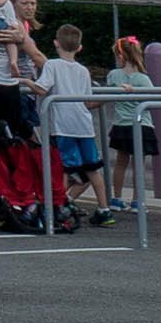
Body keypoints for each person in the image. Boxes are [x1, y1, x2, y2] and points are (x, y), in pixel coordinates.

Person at [40, 24, 108, 224]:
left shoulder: (51, 65)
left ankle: (58, 206)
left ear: (55, 44)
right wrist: (109, 98)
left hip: (63, 126)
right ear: (80, 48)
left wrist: (24, 82)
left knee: (66, 168)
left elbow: (42, 88)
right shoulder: (83, 70)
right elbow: (87, 102)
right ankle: (104, 208)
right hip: (84, 126)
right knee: (92, 169)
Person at [104, 36, 157, 210]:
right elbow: (151, 100)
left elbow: (107, 93)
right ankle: (137, 201)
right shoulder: (143, 79)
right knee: (138, 165)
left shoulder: (114, 75)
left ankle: (117, 197)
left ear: (120, 56)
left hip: (122, 125)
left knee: (120, 162)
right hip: (142, 125)